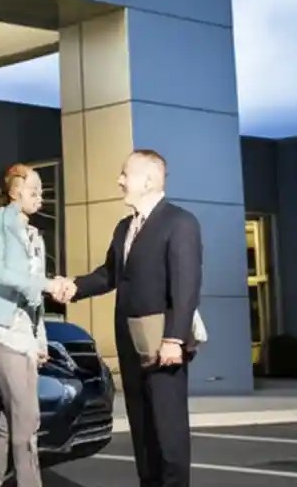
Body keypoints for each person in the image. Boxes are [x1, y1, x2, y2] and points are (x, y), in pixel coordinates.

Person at [52, 149, 203, 487]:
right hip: (129, 342)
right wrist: (72, 286)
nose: (119, 180)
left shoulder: (180, 222)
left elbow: (186, 286)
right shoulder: (125, 227)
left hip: (163, 343)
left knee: (169, 430)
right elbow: (109, 275)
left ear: (148, 180)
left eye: (125, 174)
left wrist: (174, 339)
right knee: (142, 429)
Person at [0, 164, 70, 487]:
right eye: (34, 190)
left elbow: (34, 298)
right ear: (14, 192)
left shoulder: (34, 236)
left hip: (24, 334)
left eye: (42, 191)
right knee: (27, 417)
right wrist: (47, 283)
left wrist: (40, 339)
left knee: (11, 419)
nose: (40, 197)